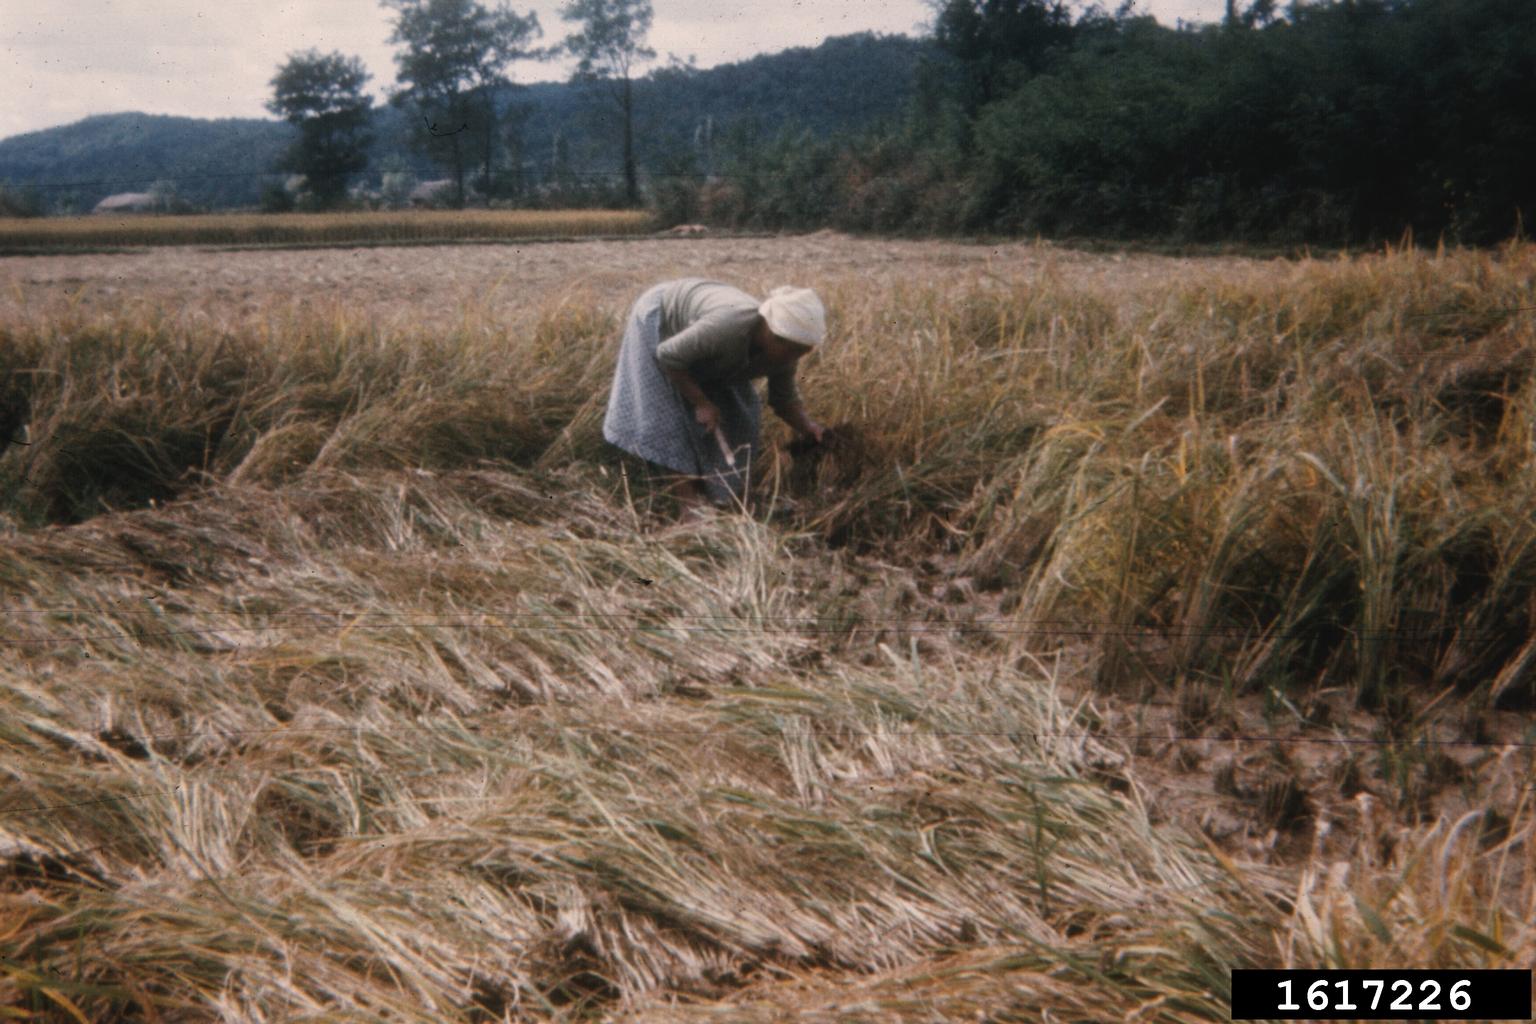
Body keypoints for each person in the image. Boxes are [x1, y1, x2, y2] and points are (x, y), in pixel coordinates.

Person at [603, 278, 827, 509]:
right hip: (663, 321)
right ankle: (689, 507)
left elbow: (784, 399)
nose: (796, 357)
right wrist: (701, 402)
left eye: (804, 351)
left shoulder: (786, 352)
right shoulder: (727, 327)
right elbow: (669, 356)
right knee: (670, 417)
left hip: (700, 347)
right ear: (772, 333)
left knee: (741, 417)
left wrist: (807, 427)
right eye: (795, 349)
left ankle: (729, 495)